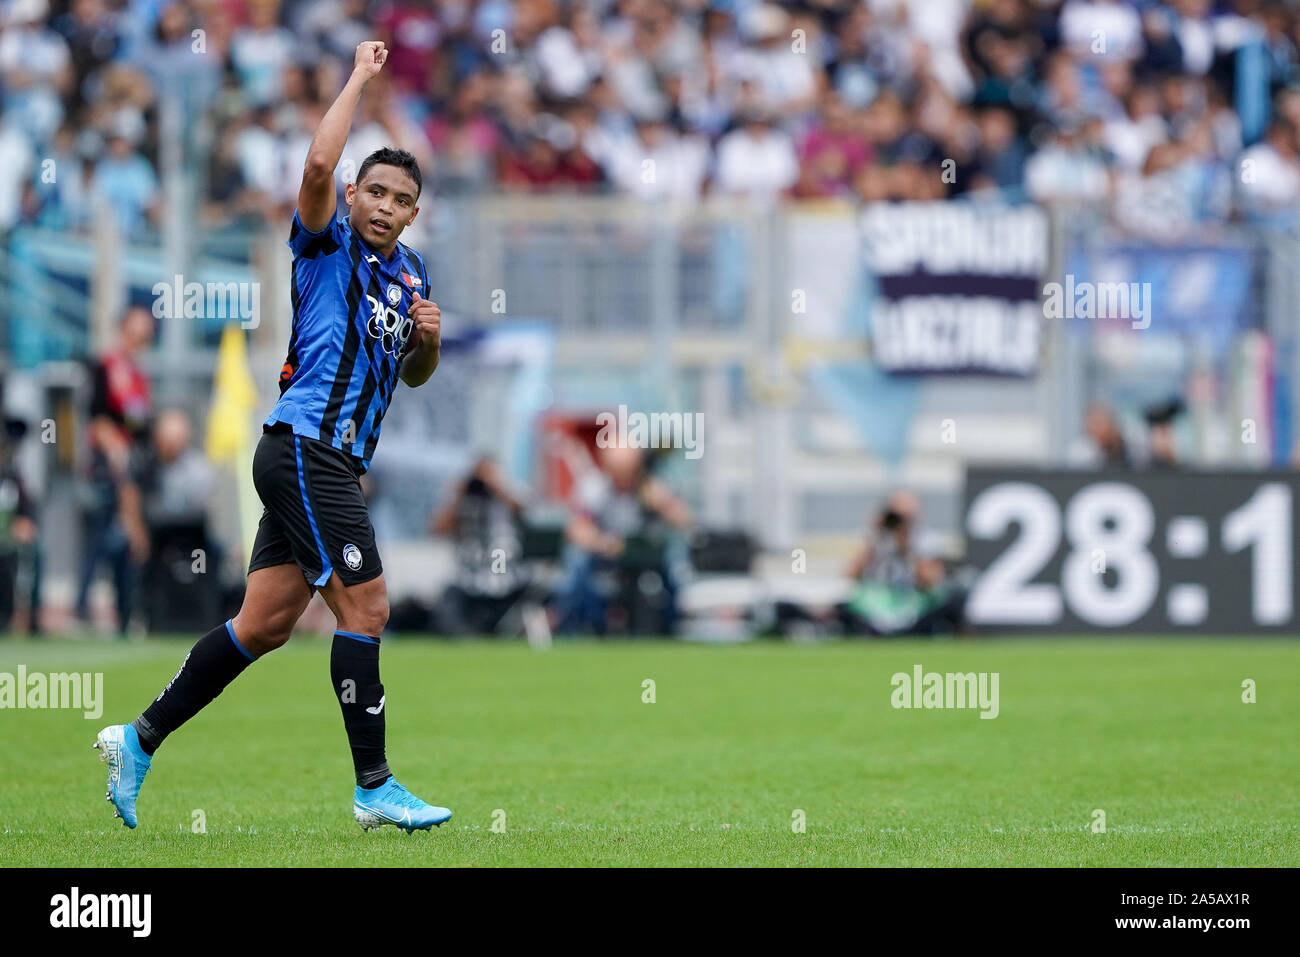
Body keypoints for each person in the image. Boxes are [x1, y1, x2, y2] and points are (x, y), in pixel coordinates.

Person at [94, 41, 452, 833]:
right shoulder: (328, 244)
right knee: (368, 609)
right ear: (356, 194)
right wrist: (360, 74)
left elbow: (414, 374)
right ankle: (374, 785)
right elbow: (317, 169)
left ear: (414, 213)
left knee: (262, 625)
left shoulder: (415, 274)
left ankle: (136, 738)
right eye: (377, 191)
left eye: (402, 198)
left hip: (330, 461)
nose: (387, 207)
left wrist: (428, 338)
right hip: (304, 450)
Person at [553, 444, 691, 636]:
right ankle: (579, 627)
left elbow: (685, 522)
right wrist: (601, 542)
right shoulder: (594, 487)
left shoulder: (652, 486)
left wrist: (664, 503)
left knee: (676, 560)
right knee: (575, 560)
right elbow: (576, 529)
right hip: (603, 553)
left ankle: (672, 626)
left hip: (645, 555)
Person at [75, 304, 153, 635]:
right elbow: (97, 420)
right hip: (107, 469)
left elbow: (140, 425)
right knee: (100, 539)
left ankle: (124, 613)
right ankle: (80, 611)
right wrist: (115, 453)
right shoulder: (105, 367)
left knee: (126, 542)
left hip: (131, 469)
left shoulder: (136, 374)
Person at [837, 491, 966, 637]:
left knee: (952, 603)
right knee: (842, 608)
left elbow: (930, 582)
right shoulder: (874, 538)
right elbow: (849, 575)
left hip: (915, 603)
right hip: (877, 603)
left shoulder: (927, 540)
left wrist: (906, 547)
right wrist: (874, 538)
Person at [428, 457, 529, 636]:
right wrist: (458, 496)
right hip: (469, 581)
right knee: (447, 606)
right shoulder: (463, 501)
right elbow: (437, 529)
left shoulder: (508, 496)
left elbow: (525, 512)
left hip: (506, 579)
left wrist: (497, 488)